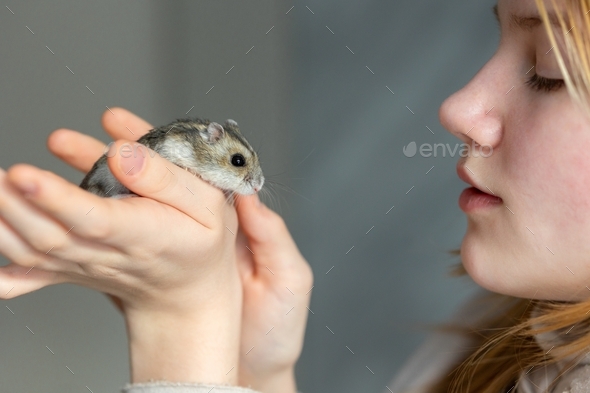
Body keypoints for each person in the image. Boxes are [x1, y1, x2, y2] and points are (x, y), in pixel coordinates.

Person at [1, 0, 590, 392]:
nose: (456, 108)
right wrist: (255, 365)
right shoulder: (519, 328)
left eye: (547, 70)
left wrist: (183, 322)